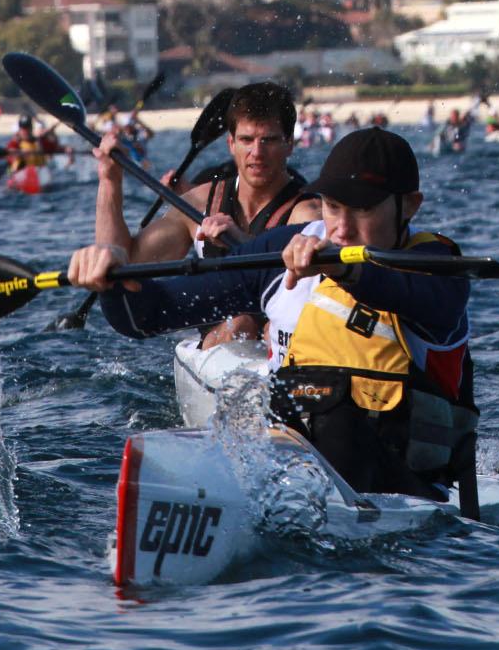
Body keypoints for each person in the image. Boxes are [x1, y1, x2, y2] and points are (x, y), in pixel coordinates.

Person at [70, 127, 476, 504]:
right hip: (296, 474)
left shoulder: (437, 268)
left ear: (409, 206)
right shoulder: (286, 248)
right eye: (333, 207)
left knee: (333, 417)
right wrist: (114, 279)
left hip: (407, 491)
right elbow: (146, 316)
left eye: (363, 210)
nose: (342, 230)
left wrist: (341, 269)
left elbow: (413, 295)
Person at [92, 82, 321, 353]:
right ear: (231, 144)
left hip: (283, 339)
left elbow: (310, 289)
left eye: (269, 140)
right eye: (247, 140)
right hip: (221, 336)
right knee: (240, 324)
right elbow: (122, 262)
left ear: (289, 145)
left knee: (255, 326)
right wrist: (110, 180)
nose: (256, 153)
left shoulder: (306, 212)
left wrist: (241, 242)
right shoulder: (201, 202)